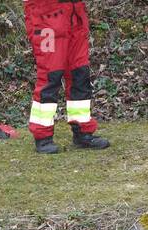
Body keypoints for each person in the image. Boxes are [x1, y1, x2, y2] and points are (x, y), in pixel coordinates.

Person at [23, 0, 110, 154]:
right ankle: (42, 136)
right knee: (50, 76)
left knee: (80, 75)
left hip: (75, 17)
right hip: (46, 17)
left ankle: (83, 132)